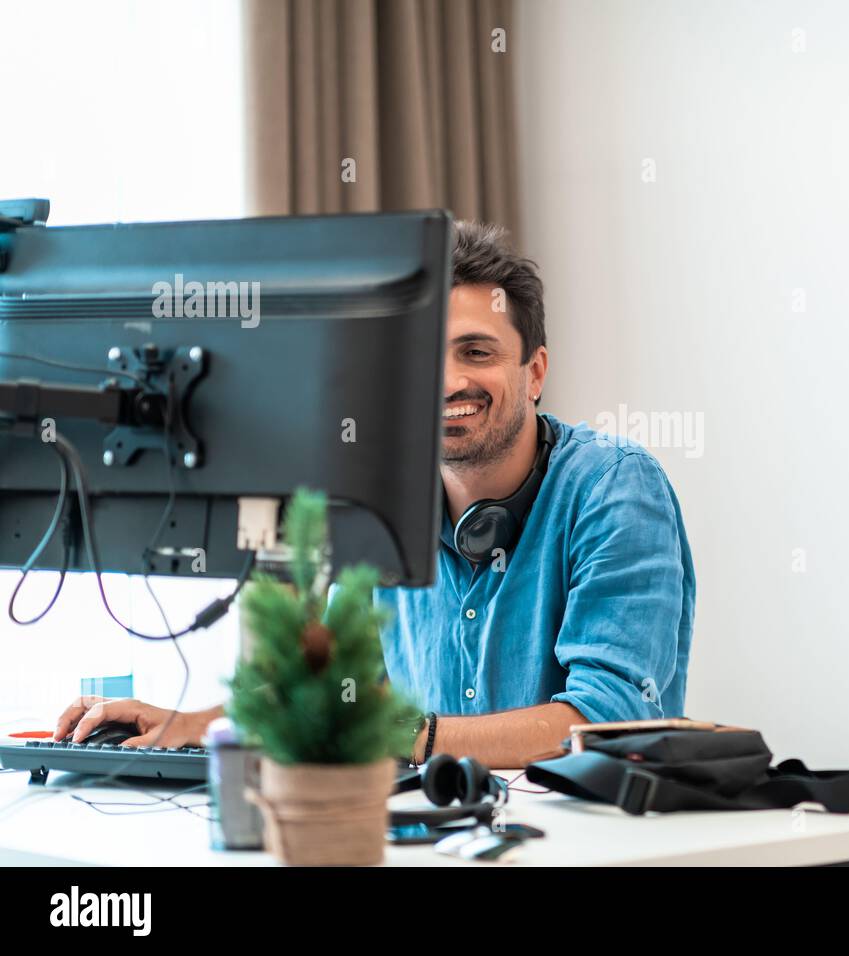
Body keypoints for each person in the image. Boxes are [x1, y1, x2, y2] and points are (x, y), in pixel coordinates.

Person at [52, 220, 696, 768]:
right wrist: (187, 726)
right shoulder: (383, 504)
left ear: (534, 373)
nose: (447, 382)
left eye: (476, 351)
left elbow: (606, 721)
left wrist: (408, 735)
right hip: (439, 840)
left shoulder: (614, 486)